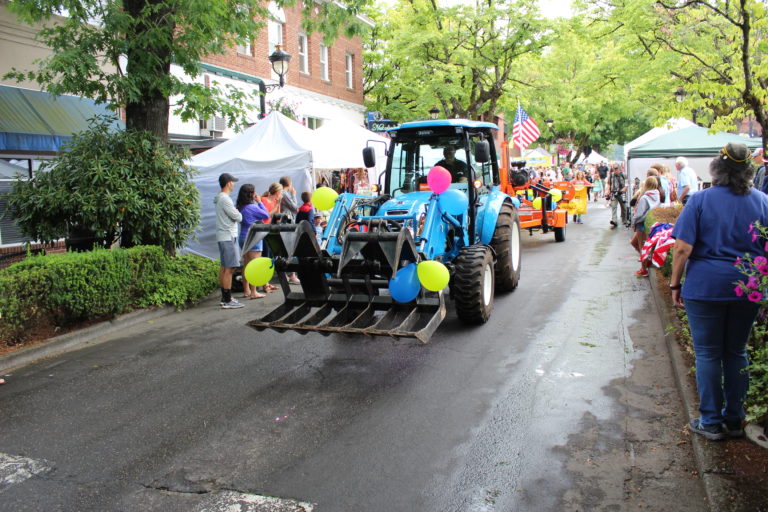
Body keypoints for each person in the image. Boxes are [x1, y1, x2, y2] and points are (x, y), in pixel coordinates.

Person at [670, 142, 768, 441]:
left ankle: (711, 421)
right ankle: (736, 419)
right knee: (736, 351)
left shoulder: (700, 200)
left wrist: (675, 283)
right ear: (749, 170)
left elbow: (682, 248)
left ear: (717, 168)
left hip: (706, 286)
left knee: (709, 353)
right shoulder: (763, 201)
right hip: (748, 287)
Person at [214, 173, 244, 309]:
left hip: (224, 235)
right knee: (230, 268)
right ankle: (227, 300)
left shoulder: (220, 198)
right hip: (228, 235)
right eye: (233, 181)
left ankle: (225, 297)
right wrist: (237, 212)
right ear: (229, 183)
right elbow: (238, 216)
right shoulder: (225, 199)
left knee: (225, 267)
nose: (234, 184)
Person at [236, 184, 269, 299]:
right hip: (254, 237)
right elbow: (266, 215)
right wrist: (259, 202)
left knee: (246, 264)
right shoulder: (252, 207)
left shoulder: (241, 206)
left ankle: (246, 290)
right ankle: (254, 292)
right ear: (251, 194)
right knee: (254, 266)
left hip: (243, 236)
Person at [630, 176, 661, 276]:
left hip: (641, 223)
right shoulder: (657, 195)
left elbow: (639, 214)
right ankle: (647, 261)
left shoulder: (644, 197)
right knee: (635, 243)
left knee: (642, 247)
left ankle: (644, 269)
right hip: (649, 222)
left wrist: (633, 221)